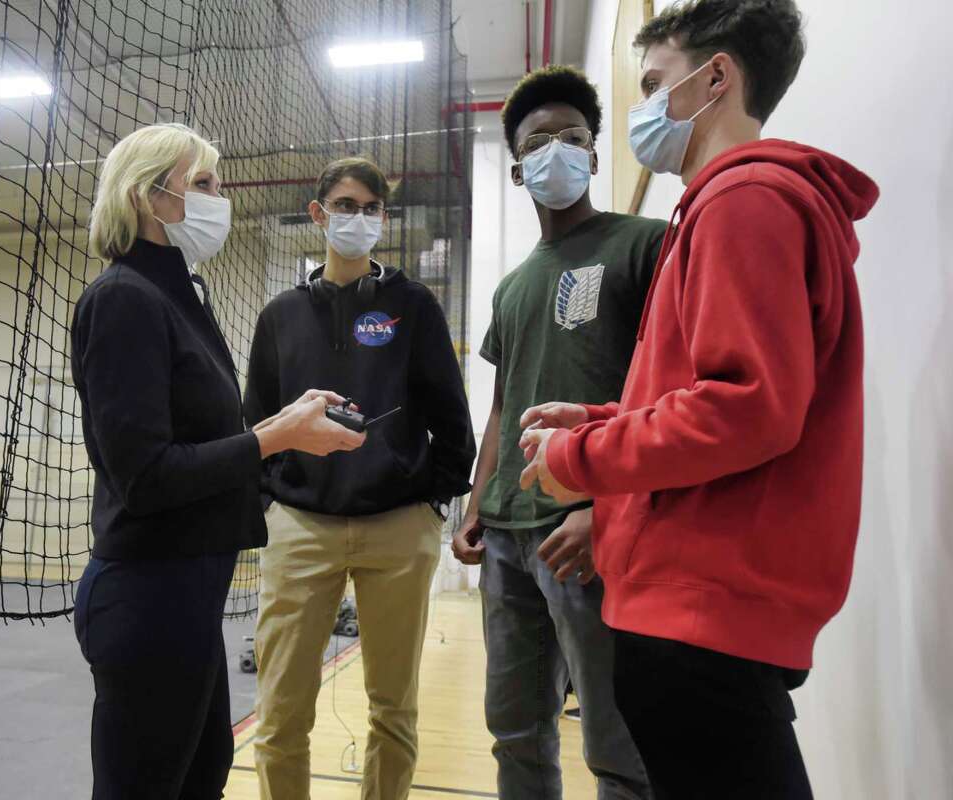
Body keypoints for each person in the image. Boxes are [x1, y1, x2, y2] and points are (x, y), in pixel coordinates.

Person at [518, 2, 879, 797]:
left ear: (716, 77)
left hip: (701, 611)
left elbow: (745, 409)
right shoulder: (733, 207)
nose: (643, 109)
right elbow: (710, 394)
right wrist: (603, 421)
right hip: (702, 605)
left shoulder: (743, 203)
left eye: (654, 84)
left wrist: (579, 459)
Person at [70, 123, 366, 800]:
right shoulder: (123, 300)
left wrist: (284, 427)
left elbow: (200, 446)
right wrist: (274, 437)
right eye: (202, 184)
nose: (218, 199)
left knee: (201, 774)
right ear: (150, 198)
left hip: (191, 595)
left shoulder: (179, 295)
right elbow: (145, 478)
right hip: (148, 596)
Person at [451, 66, 660, 800]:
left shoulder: (645, 246)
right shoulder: (511, 288)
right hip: (507, 536)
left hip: (588, 534)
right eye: (539, 142)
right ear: (518, 169)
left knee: (616, 744)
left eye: (572, 137)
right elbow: (505, 408)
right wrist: (478, 501)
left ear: (596, 155)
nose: (556, 150)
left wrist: (605, 507)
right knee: (514, 731)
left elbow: (667, 392)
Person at [244, 156, 476, 800]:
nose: (359, 218)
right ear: (319, 215)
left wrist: (432, 501)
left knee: (392, 710)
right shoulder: (280, 316)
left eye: (372, 208)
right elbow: (256, 421)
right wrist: (271, 502)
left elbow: (450, 416)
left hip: (398, 529)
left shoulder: (413, 306)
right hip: (301, 527)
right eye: (345, 205)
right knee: (283, 711)